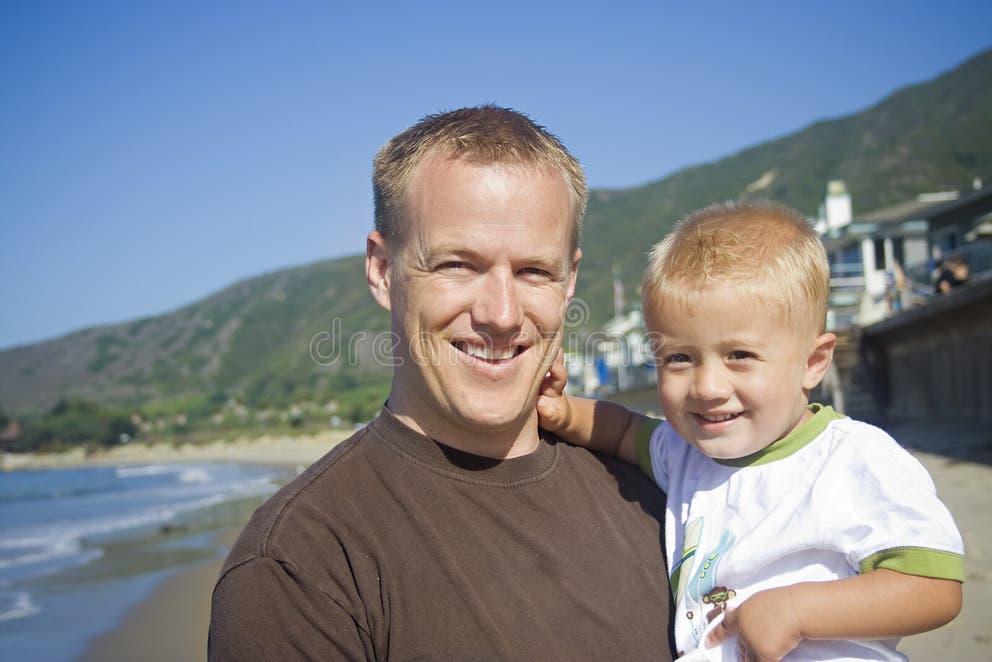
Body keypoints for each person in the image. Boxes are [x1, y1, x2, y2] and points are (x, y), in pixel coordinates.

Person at [208, 106, 676, 660]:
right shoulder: (301, 566)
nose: (501, 314)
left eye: (533, 272)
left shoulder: (664, 494)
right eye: (458, 265)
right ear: (383, 270)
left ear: (570, 280)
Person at [537, 200, 964, 661]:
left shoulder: (852, 459)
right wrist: (564, 413)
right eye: (678, 358)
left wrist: (797, 610)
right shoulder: (684, 452)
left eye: (739, 355)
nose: (707, 387)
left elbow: (934, 586)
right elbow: (621, 431)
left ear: (813, 361)